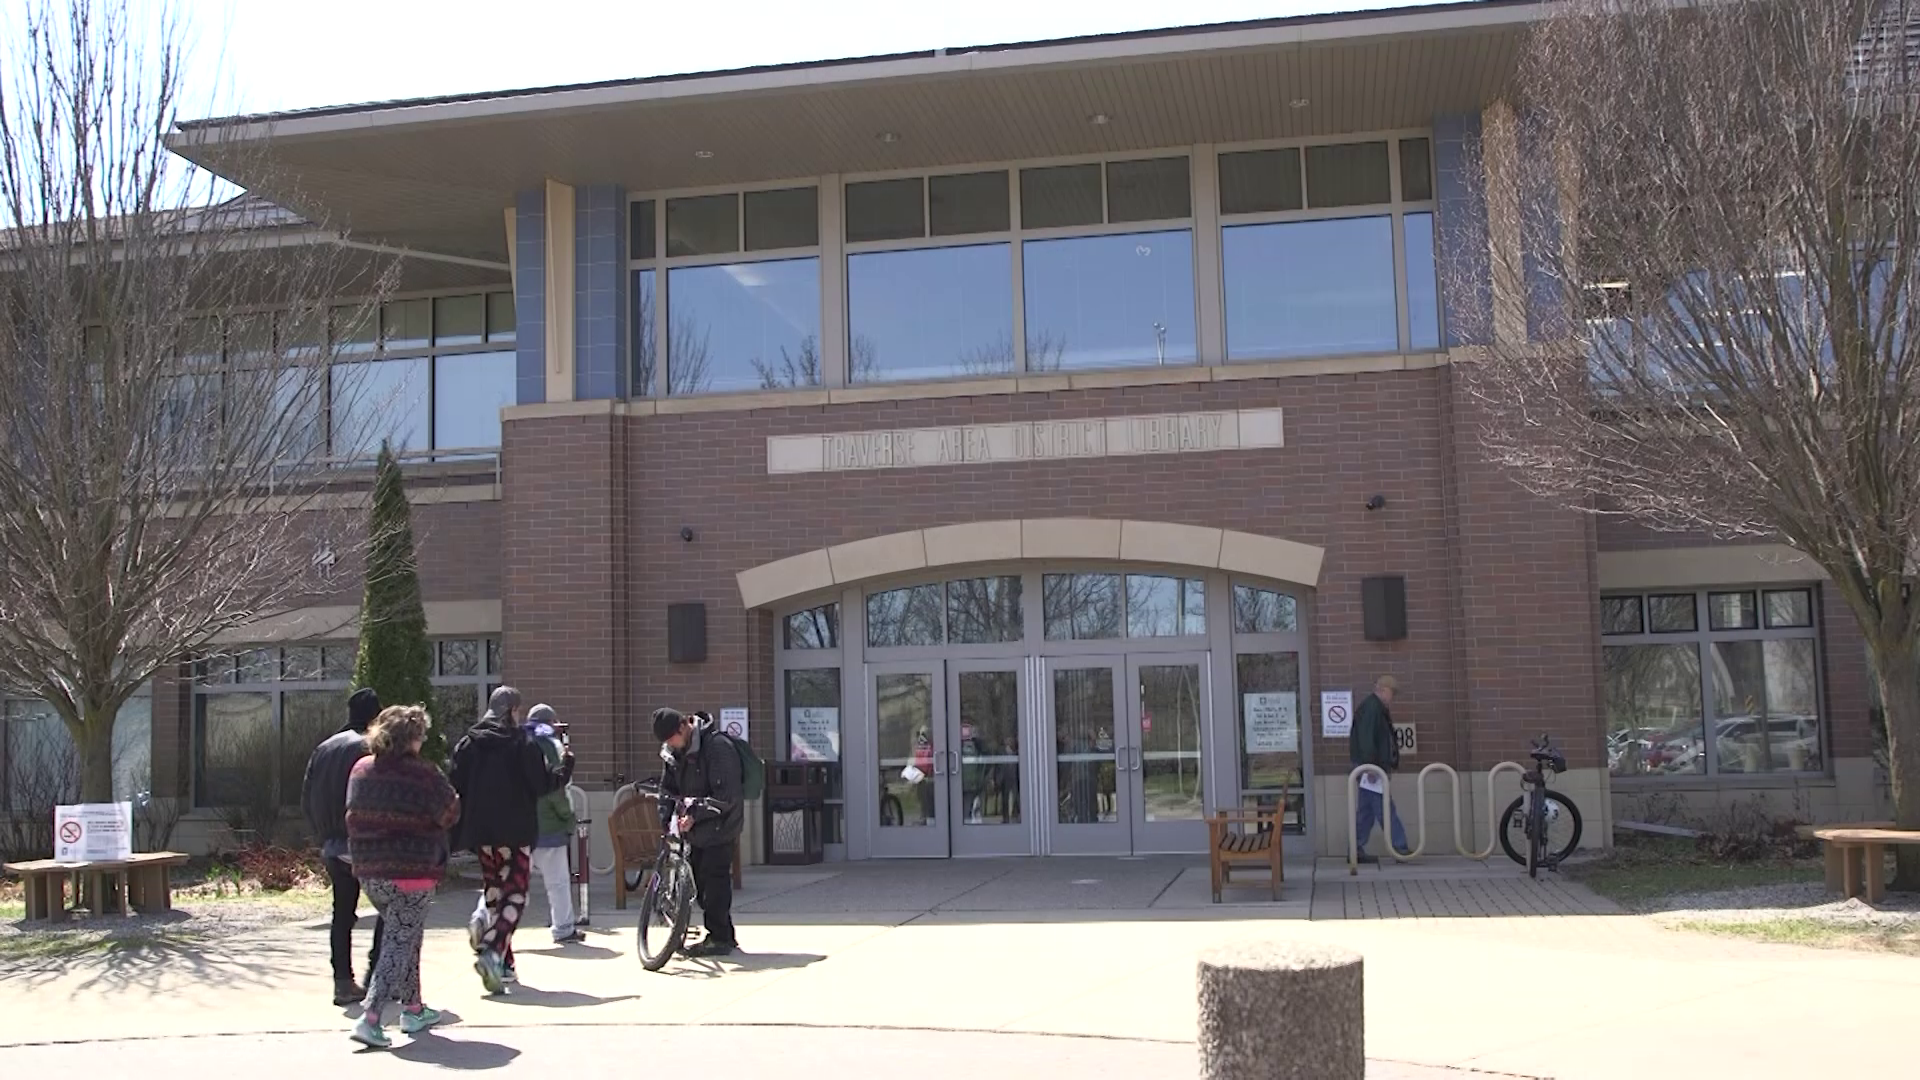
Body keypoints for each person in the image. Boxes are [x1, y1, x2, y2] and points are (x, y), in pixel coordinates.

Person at [344, 705, 461, 1049]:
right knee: (398, 941)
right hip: (412, 871)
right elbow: (449, 812)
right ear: (412, 738)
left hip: (369, 871)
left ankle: (413, 1008)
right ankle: (371, 1017)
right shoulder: (424, 774)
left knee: (404, 935)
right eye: (421, 736)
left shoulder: (360, 769)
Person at [449, 686, 573, 993]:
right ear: (513, 711)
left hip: (482, 834)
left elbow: (455, 784)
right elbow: (542, 785)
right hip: (515, 831)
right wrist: (565, 767)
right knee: (515, 895)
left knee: (494, 892)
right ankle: (492, 951)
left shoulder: (468, 743)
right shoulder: (522, 743)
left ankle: (504, 964)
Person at [470, 703, 583, 945]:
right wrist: (568, 818)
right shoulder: (551, 746)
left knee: (504, 881)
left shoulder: (513, 742)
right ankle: (563, 928)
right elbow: (556, 790)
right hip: (549, 828)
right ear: (551, 723)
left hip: (517, 827)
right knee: (558, 883)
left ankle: (482, 918)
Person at [299, 686, 384, 1006]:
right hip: (365, 843)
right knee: (390, 908)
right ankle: (376, 974)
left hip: (333, 844)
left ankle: (342, 981)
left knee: (342, 915)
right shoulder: (368, 748)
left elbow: (306, 799)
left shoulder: (323, 748)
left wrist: (321, 835)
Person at [653, 707, 743, 958]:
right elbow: (667, 790)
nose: (671, 744)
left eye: (672, 738)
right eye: (667, 741)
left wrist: (694, 813)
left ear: (684, 727)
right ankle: (723, 933)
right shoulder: (673, 753)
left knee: (713, 881)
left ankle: (720, 938)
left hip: (720, 825)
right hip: (696, 828)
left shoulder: (717, 747)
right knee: (702, 884)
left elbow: (726, 796)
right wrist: (666, 818)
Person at [1349, 674, 1410, 863]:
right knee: (1385, 808)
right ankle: (1400, 848)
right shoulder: (1374, 708)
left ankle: (1355, 848)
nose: (1393, 697)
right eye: (1392, 693)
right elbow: (1367, 739)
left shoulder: (1372, 707)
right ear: (1384, 690)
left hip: (1369, 766)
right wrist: (1371, 767)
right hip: (1372, 768)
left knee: (1367, 811)